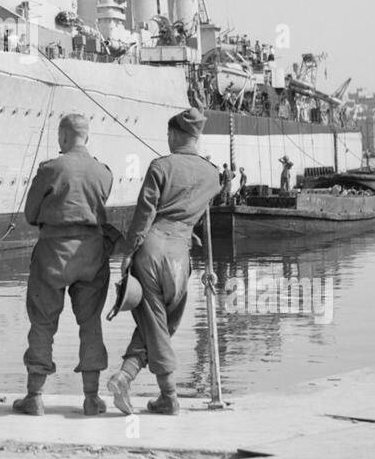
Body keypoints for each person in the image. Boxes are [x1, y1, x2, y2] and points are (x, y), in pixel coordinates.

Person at [105, 109, 220, 417]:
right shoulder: (212, 174)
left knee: (154, 322)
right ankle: (136, 382)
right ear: (197, 138)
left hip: (151, 251)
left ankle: (157, 390)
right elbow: (192, 211)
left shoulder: (160, 166)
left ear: (173, 135)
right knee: (161, 325)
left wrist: (128, 251)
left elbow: (145, 215)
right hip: (181, 257)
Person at [13, 113, 114, 417]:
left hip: (53, 254)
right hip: (92, 254)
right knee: (90, 322)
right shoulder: (103, 172)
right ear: (87, 136)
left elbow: (31, 214)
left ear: (64, 136)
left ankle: (35, 397)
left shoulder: (50, 168)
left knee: (43, 322)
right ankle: (92, 399)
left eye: (59, 137)